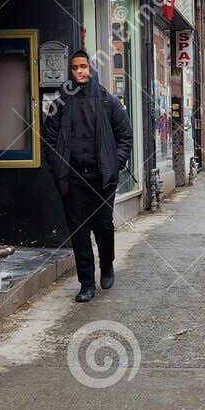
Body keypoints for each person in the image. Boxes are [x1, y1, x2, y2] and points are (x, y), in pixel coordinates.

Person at [43, 50, 133, 302]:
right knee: (79, 231)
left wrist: (115, 164)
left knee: (103, 226)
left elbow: (125, 136)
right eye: (75, 67)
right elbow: (48, 139)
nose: (79, 71)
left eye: (83, 66)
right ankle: (86, 284)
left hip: (102, 177)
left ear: (91, 68)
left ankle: (107, 264)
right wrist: (57, 166)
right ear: (70, 71)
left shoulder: (107, 100)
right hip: (72, 178)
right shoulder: (60, 102)